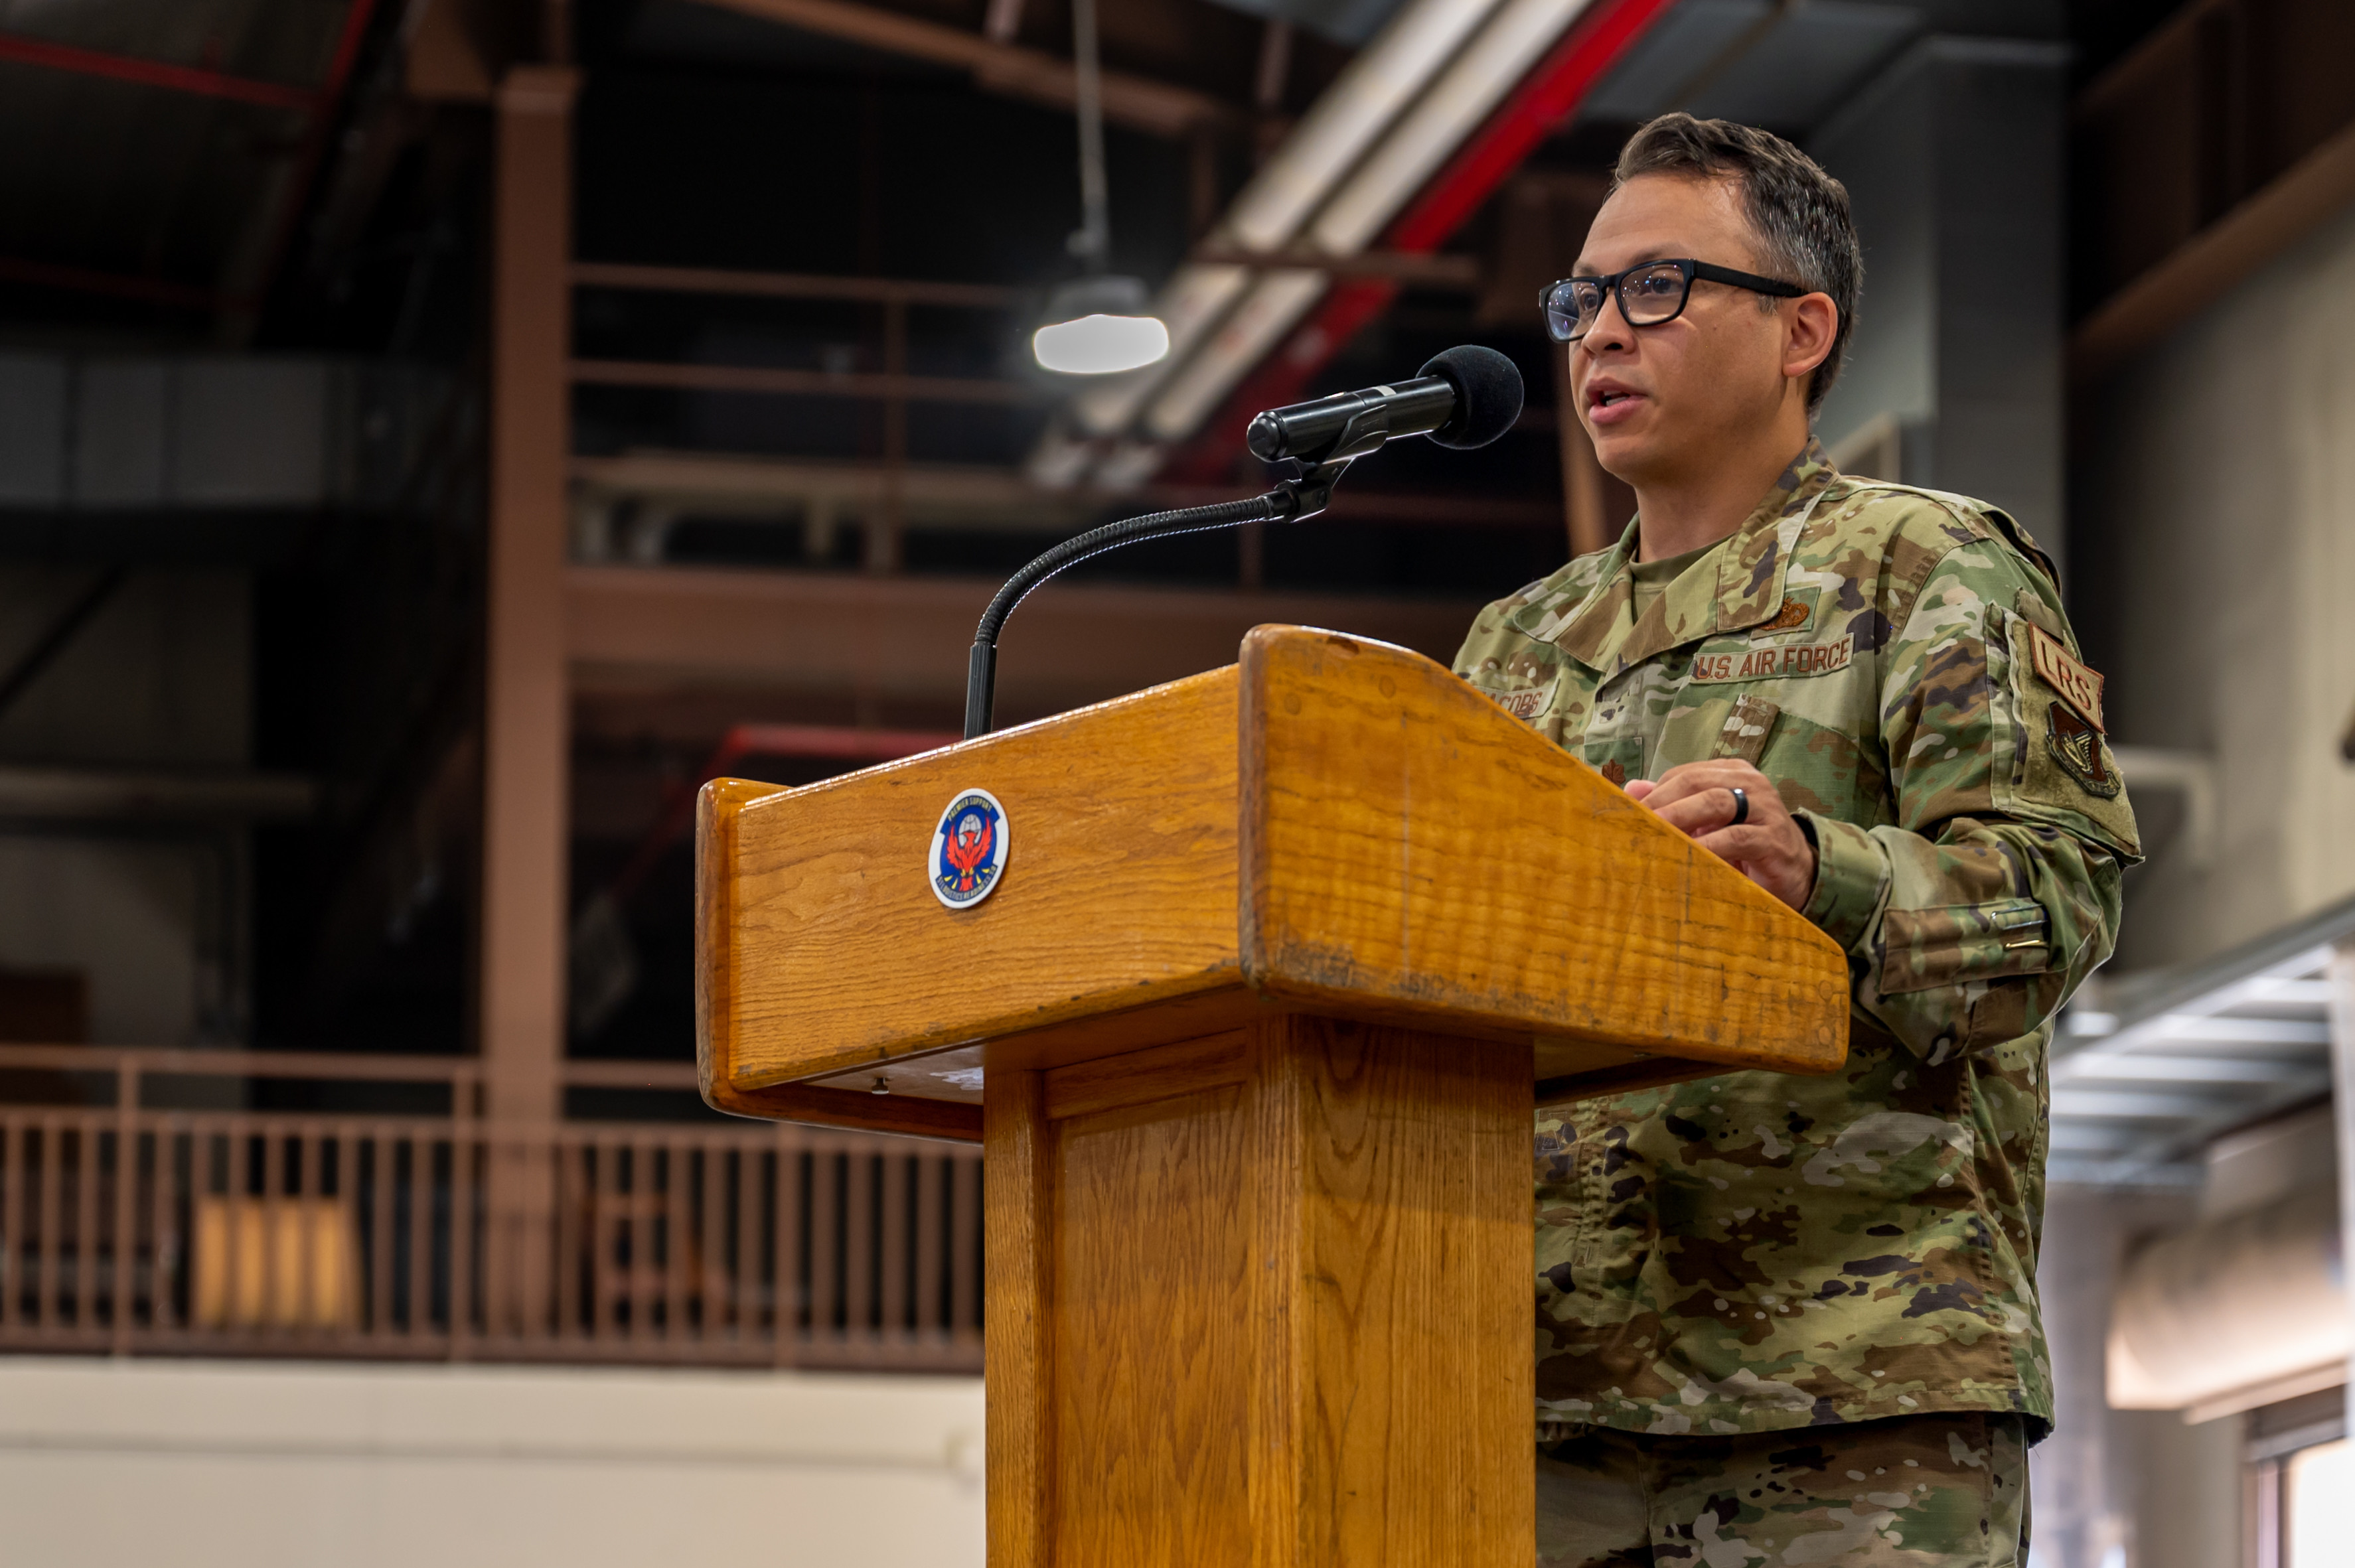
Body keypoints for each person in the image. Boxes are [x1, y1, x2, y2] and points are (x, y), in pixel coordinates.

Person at [1452, 113, 2140, 1567]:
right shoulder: (1513, 649)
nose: (1598, 337)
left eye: (1656, 289)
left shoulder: (1921, 563)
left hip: (1848, 1389)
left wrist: (1816, 869)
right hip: (1535, 1397)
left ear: (1800, 330)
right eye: (1581, 300)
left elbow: (2054, 899)